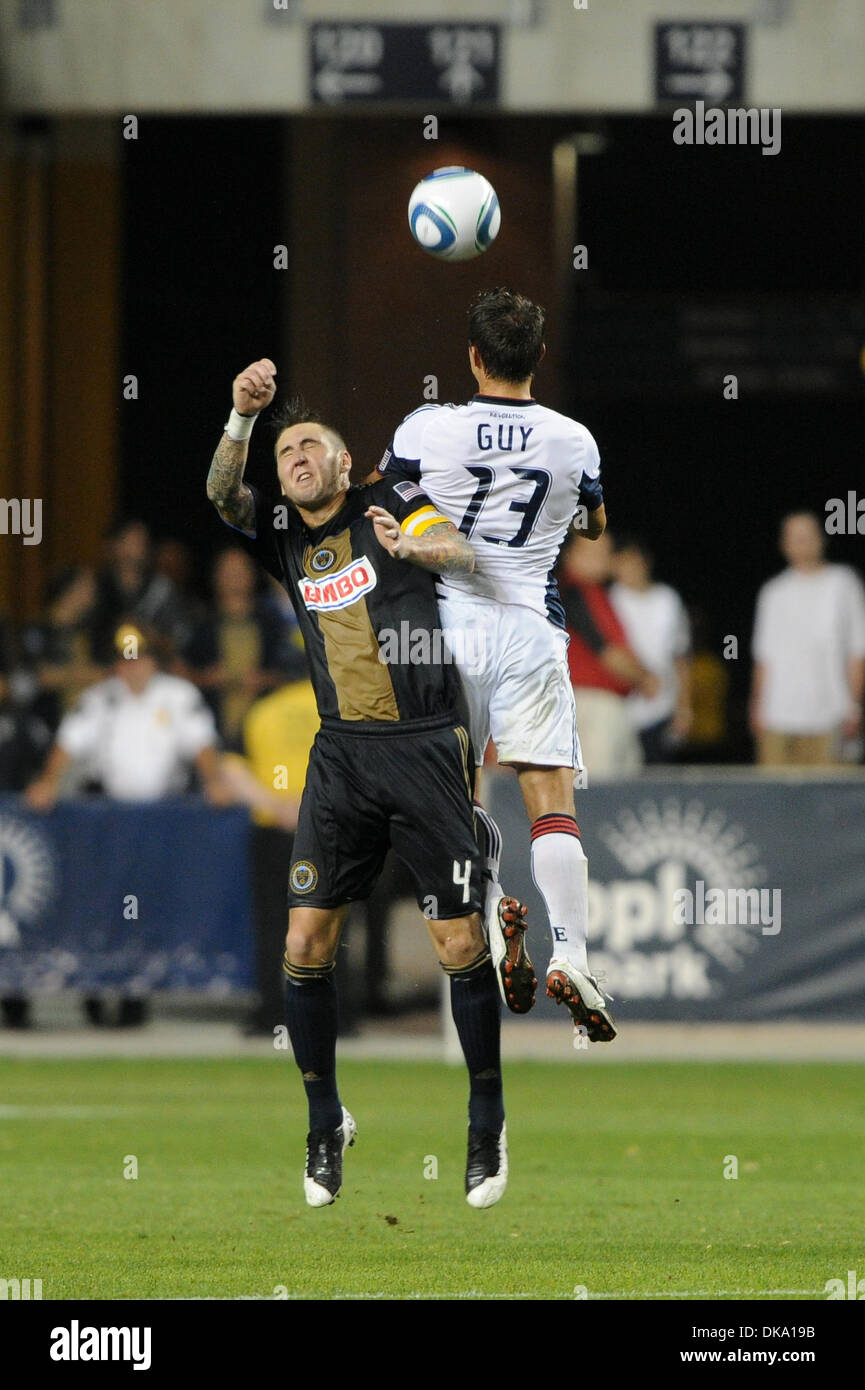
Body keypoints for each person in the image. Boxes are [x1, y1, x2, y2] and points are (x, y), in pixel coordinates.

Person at [207, 358, 526, 1209]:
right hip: (341, 756)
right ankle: (323, 1123)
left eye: (313, 445)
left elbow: (461, 551)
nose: (298, 457)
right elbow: (221, 498)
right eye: (287, 454)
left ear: (346, 465)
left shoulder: (392, 500)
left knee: (458, 946)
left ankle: (485, 1120)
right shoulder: (283, 536)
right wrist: (242, 421)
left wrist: (411, 543)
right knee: (304, 943)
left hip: (425, 745)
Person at [377, 287, 617, 1041]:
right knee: (548, 797)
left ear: (473, 357)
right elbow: (593, 522)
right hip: (528, 630)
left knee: (458, 794)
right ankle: (571, 952)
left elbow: (385, 494)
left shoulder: (427, 427)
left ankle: (484, 921)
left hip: (443, 631)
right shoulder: (572, 440)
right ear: (537, 358)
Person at [750, 512, 865, 765]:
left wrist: (854, 706)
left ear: (821, 539)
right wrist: (757, 707)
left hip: (831, 715)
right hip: (778, 716)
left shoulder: (844, 583)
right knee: (774, 798)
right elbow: (764, 657)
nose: (803, 543)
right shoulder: (773, 592)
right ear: (785, 544)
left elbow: (859, 651)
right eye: (795, 537)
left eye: (808, 536)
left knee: (830, 800)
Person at [558, 532, 656, 778]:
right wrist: (645, 678)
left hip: (613, 706)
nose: (602, 559)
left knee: (623, 788)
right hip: (591, 704)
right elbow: (606, 651)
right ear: (570, 554)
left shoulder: (599, 592)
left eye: (605, 552)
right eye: (593, 553)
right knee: (598, 787)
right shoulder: (572, 590)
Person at [609, 535, 692, 763]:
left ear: (646, 562)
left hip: (662, 707)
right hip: (621, 708)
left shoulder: (668, 599)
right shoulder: (610, 600)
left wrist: (684, 708)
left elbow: (681, 656)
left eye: (634, 562)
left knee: (659, 776)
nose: (629, 569)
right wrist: (639, 677)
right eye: (622, 563)